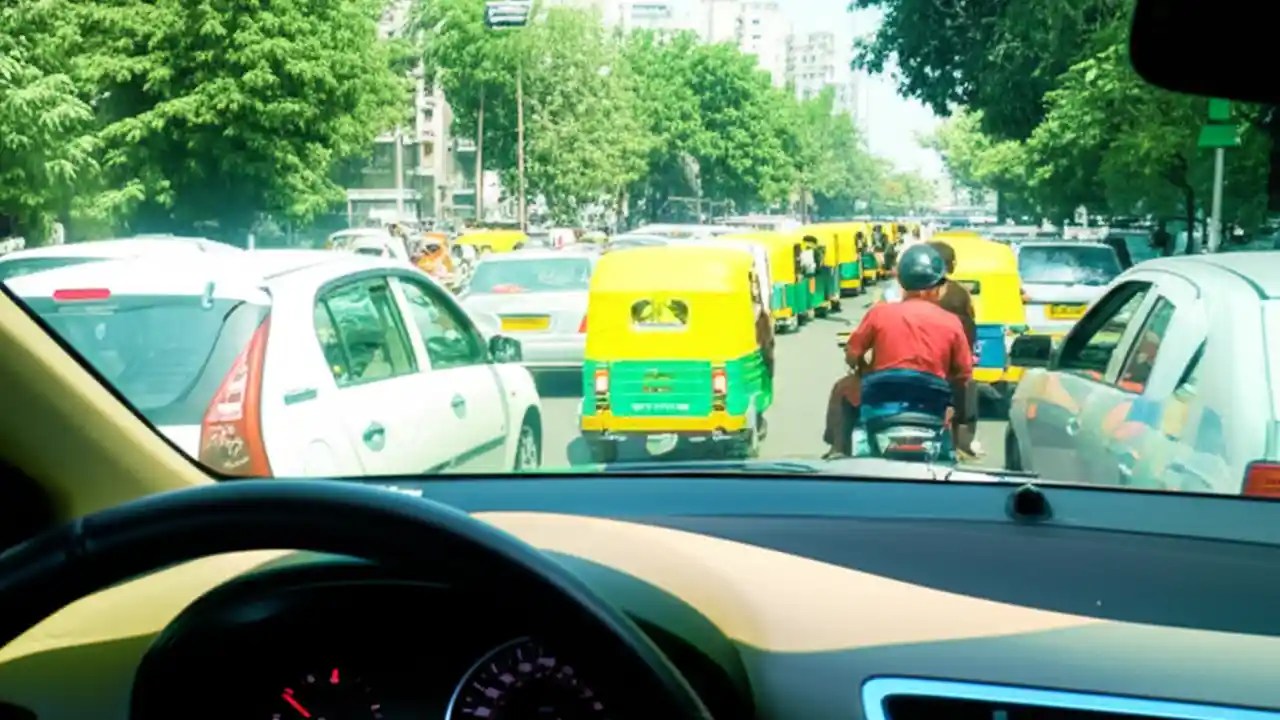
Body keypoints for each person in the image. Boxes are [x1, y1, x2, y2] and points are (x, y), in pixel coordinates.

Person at [822, 244, 974, 458]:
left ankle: (838, 450)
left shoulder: (879, 313)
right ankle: (959, 446)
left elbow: (853, 354)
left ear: (901, 282)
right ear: (936, 287)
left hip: (880, 403)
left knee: (842, 388)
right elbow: (963, 374)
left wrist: (861, 367)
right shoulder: (951, 322)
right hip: (932, 407)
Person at [927, 240, 980, 457]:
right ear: (950, 264)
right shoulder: (959, 293)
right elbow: (970, 327)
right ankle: (962, 445)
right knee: (966, 391)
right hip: (949, 364)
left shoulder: (907, 290)